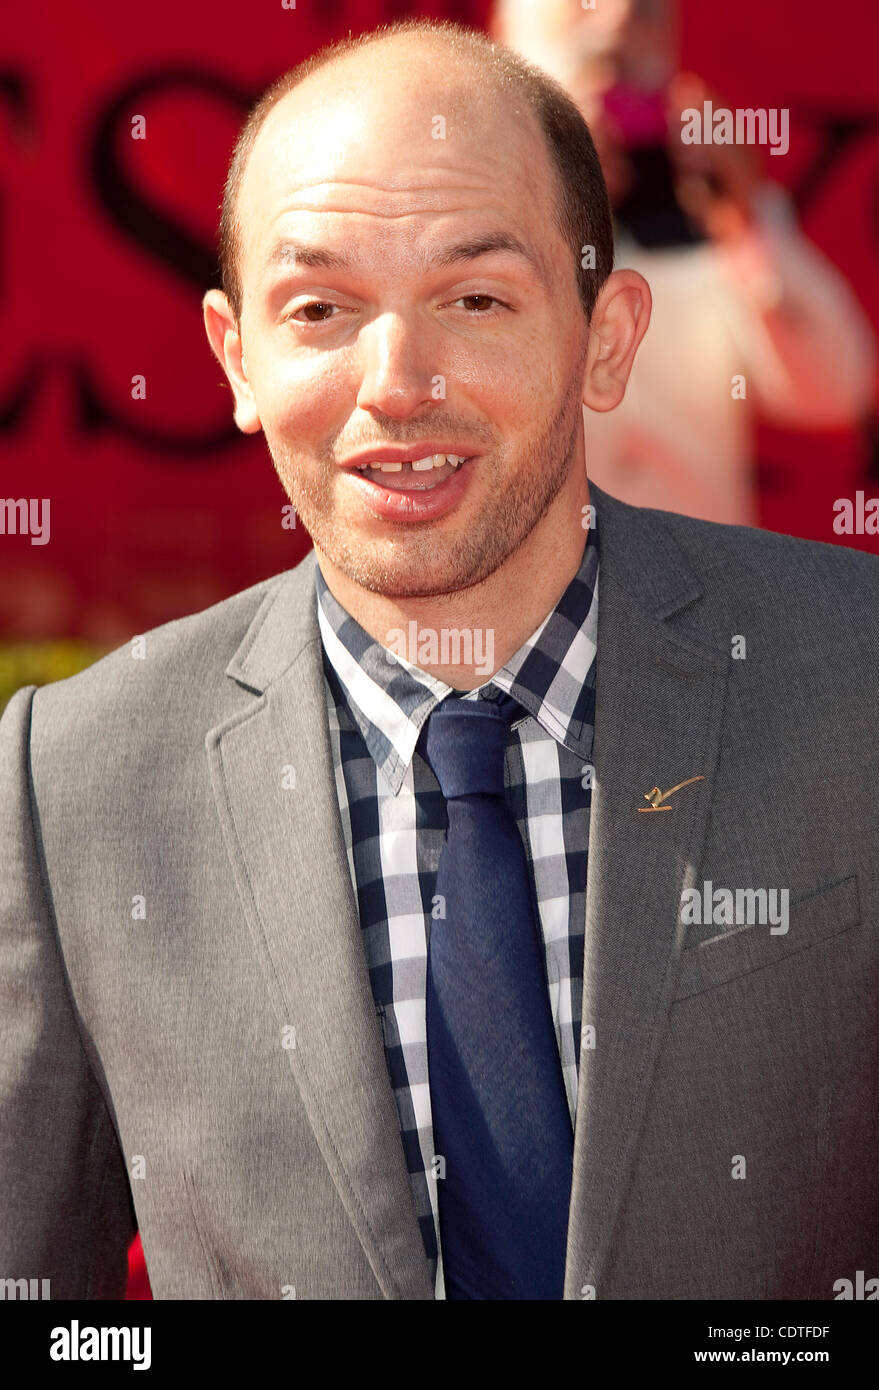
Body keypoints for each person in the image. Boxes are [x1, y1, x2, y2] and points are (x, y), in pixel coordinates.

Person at [0, 18, 876, 1301]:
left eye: (475, 298)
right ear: (235, 357)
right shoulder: (72, 781)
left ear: (606, 336)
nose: (397, 381)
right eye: (319, 307)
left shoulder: (851, 679)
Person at [492, 0, 876, 524]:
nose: (619, 20)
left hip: (701, 593)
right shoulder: (439, 203)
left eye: (647, 10)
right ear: (505, 29)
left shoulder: (712, 212)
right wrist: (542, 205)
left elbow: (836, 388)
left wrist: (751, 227)